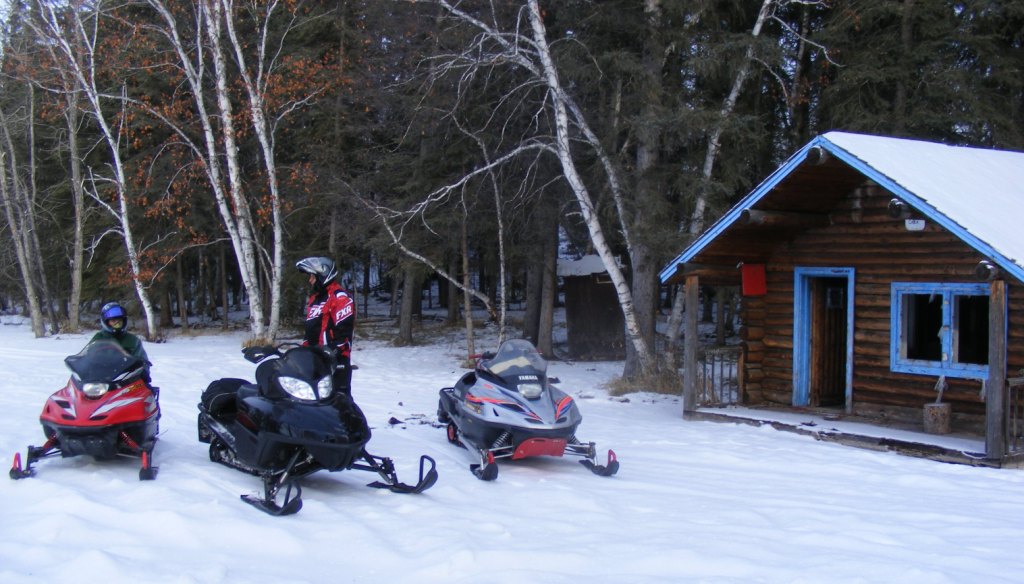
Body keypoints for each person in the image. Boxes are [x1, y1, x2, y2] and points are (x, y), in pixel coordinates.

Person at [296, 256, 355, 393]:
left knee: (338, 403)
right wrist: (302, 352)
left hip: (335, 362)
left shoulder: (340, 298)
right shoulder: (315, 299)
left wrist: (332, 352)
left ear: (322, 275)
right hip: (314, 359)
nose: (310, 280)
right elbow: (311, 330)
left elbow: (344, 335)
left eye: (312, 276)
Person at [91, 301, 152, 382]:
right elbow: (88, 357)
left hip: (126, 380)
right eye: (113, 321)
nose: (117, 323)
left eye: (119, 320)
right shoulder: (99, 338)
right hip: (102, 379)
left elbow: (142, 359)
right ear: (106, 322)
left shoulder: (132, 340)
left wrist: (144, 372)